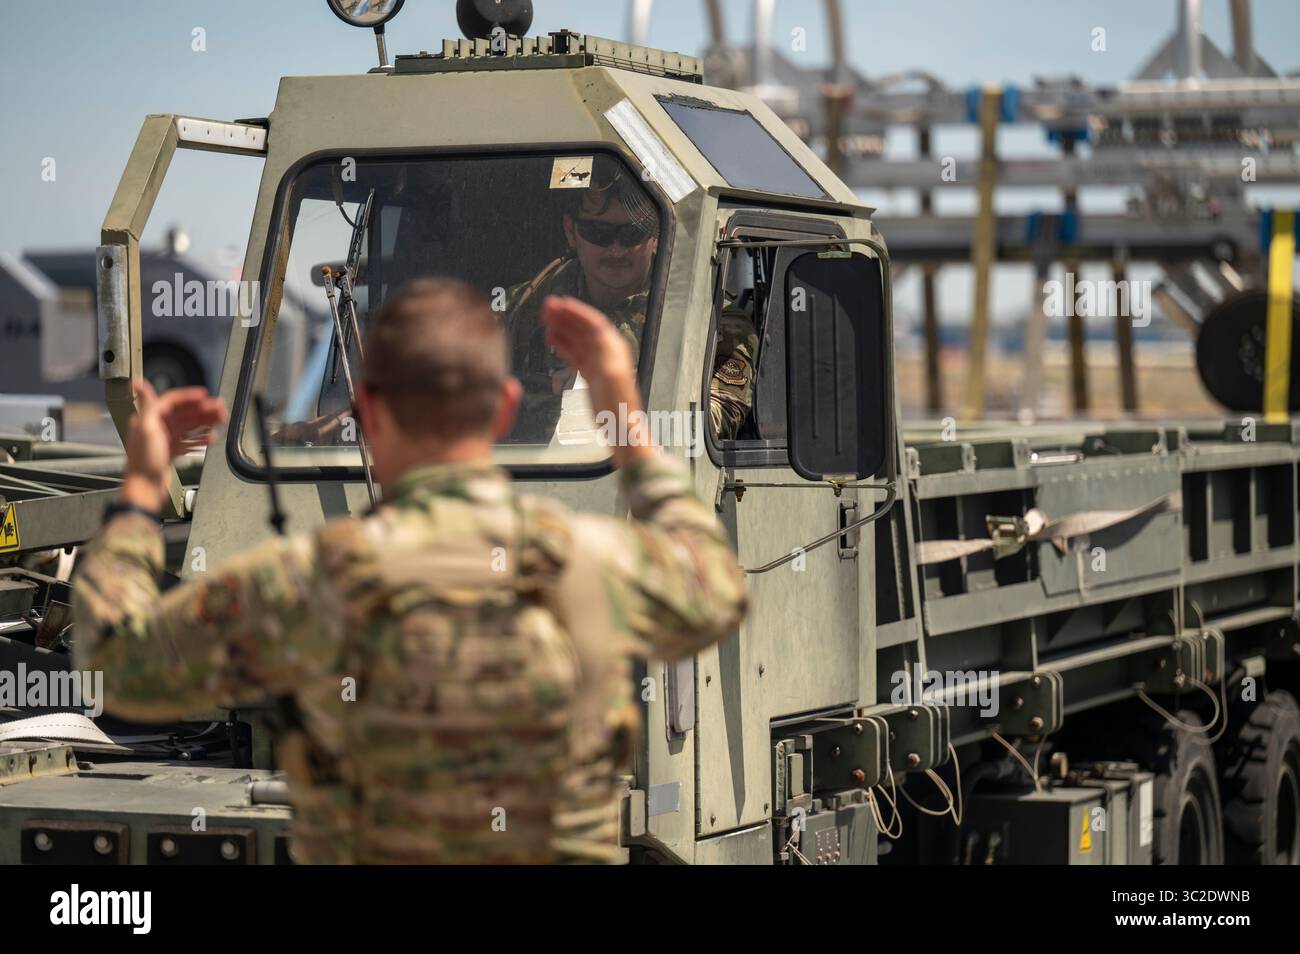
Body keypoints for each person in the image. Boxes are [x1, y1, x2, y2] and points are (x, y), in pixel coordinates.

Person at [72, 279, 748, 864]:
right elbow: (715, 588)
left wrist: (137, 496)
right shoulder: (589, 562)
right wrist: (628, 425)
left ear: (365, 413)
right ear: (507, 407)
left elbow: (120, 663)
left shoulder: (307, 581)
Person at [503, 159, 757, 443]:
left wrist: (618, 387)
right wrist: (548, 389)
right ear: (571, 232)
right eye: (599, 233)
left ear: (657, 236)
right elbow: (467, 396)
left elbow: (714, 421)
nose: (616, 249)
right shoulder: (526, 305)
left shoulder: (710, 320)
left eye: (631, 233)